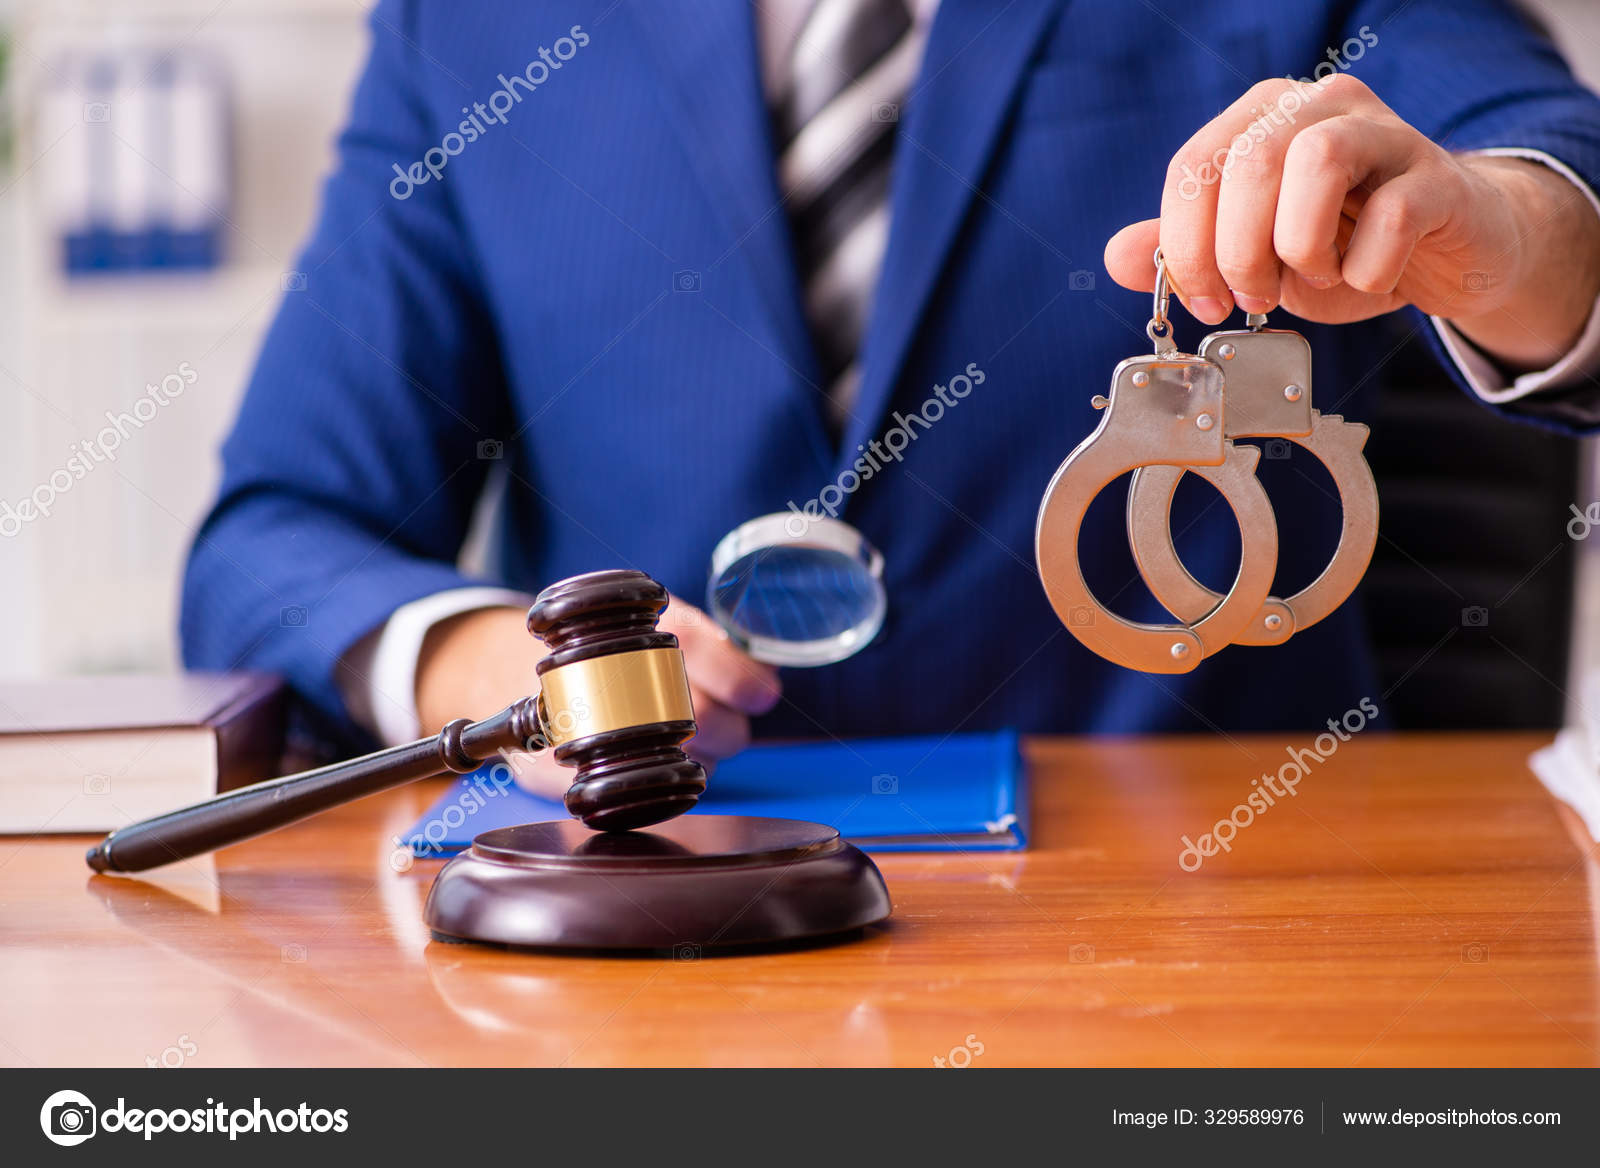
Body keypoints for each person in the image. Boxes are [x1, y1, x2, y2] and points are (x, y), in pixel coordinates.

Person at [183, 0, 1600, 793]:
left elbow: (1548, 169)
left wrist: (1498, 230)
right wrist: (479, 670)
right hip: (649, 943)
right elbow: (273, 535)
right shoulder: (474, 29)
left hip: (1207, 921)